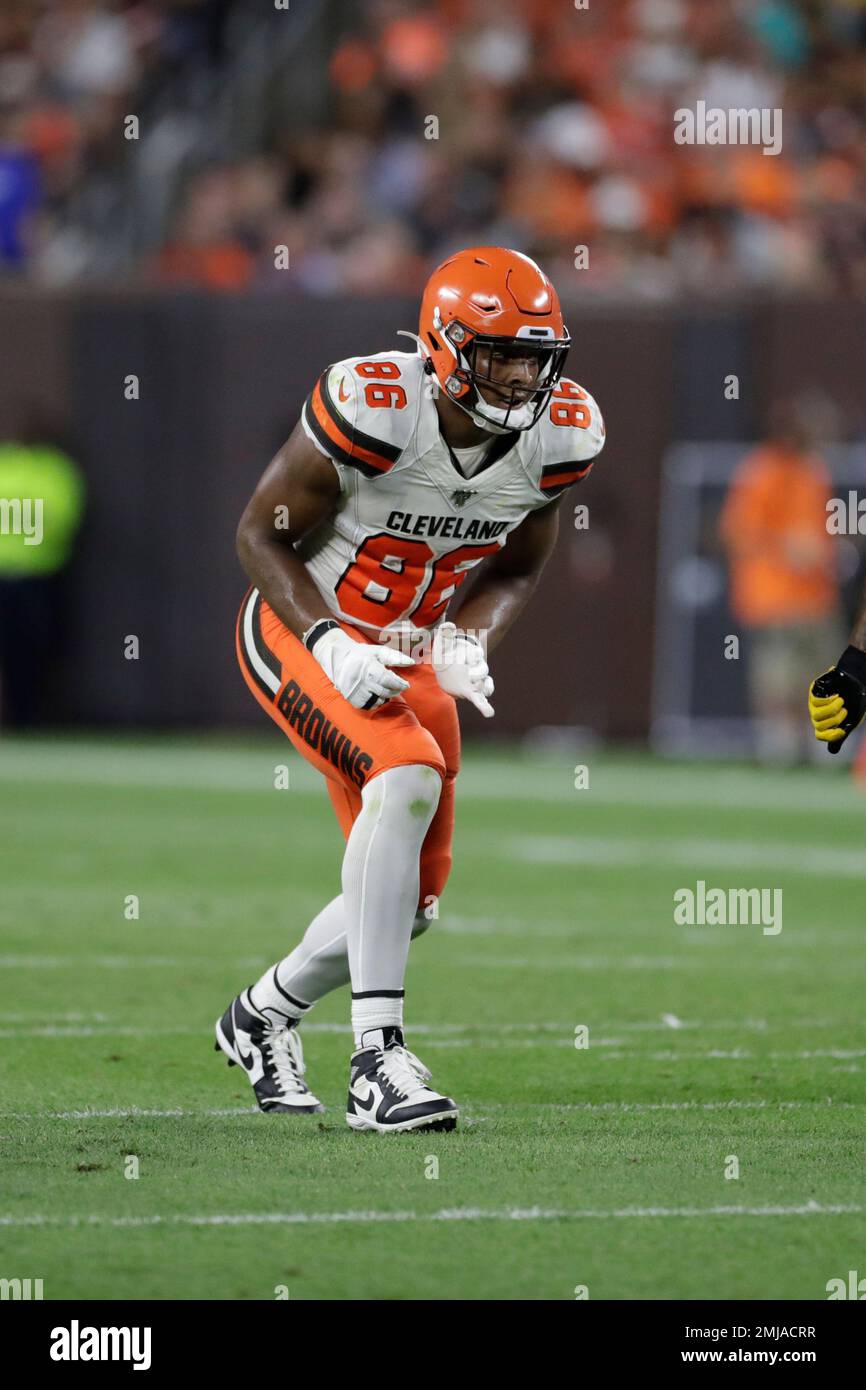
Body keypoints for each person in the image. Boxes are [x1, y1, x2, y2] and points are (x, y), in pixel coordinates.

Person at [215, 246, 605, 1132]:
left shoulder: (562, 436)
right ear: (442, 345)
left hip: (407, 649)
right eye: (500, 352)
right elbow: (259, 535)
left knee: (411, 906)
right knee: (407, 776)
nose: (518, 376)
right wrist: (328, 639)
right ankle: (376, 1059)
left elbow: (517, 567)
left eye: (533, 357)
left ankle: (262, 1013)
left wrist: (468, 639)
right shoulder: (376, 407)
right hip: (300, 626)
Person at [719, 401, 843, 762]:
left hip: (816, 593)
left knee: (824, 668)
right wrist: (785, 546)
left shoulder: (815, 470)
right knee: (779, 672)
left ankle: (824, 742)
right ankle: (781, 744)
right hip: (773, 593)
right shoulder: (763, 469)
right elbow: (738, 530)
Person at [0, 418, 85, 727]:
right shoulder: (8, 464)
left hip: (37, 577)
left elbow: (62, 517)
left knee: (36, 649)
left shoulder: (54, 469)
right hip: (10, 576)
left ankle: (30, 716)